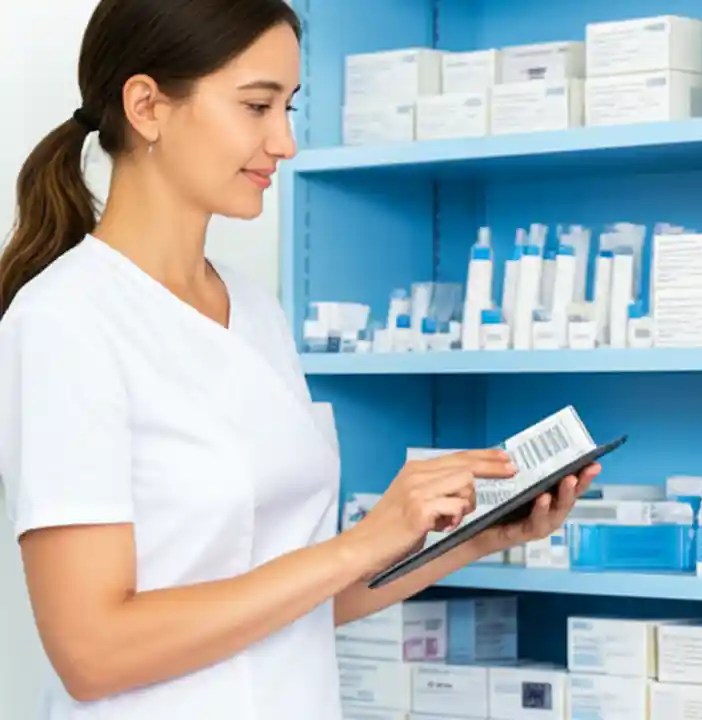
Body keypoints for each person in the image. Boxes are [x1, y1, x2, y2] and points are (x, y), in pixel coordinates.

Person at [0, 1, 602, 717]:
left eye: (289, 106)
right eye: (257, 106)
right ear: (147, 106)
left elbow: (301, 600)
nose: (284, 142)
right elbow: (92, 653)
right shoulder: (65, 322)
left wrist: (473, 539)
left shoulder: (252, 309)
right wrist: (365, 539)